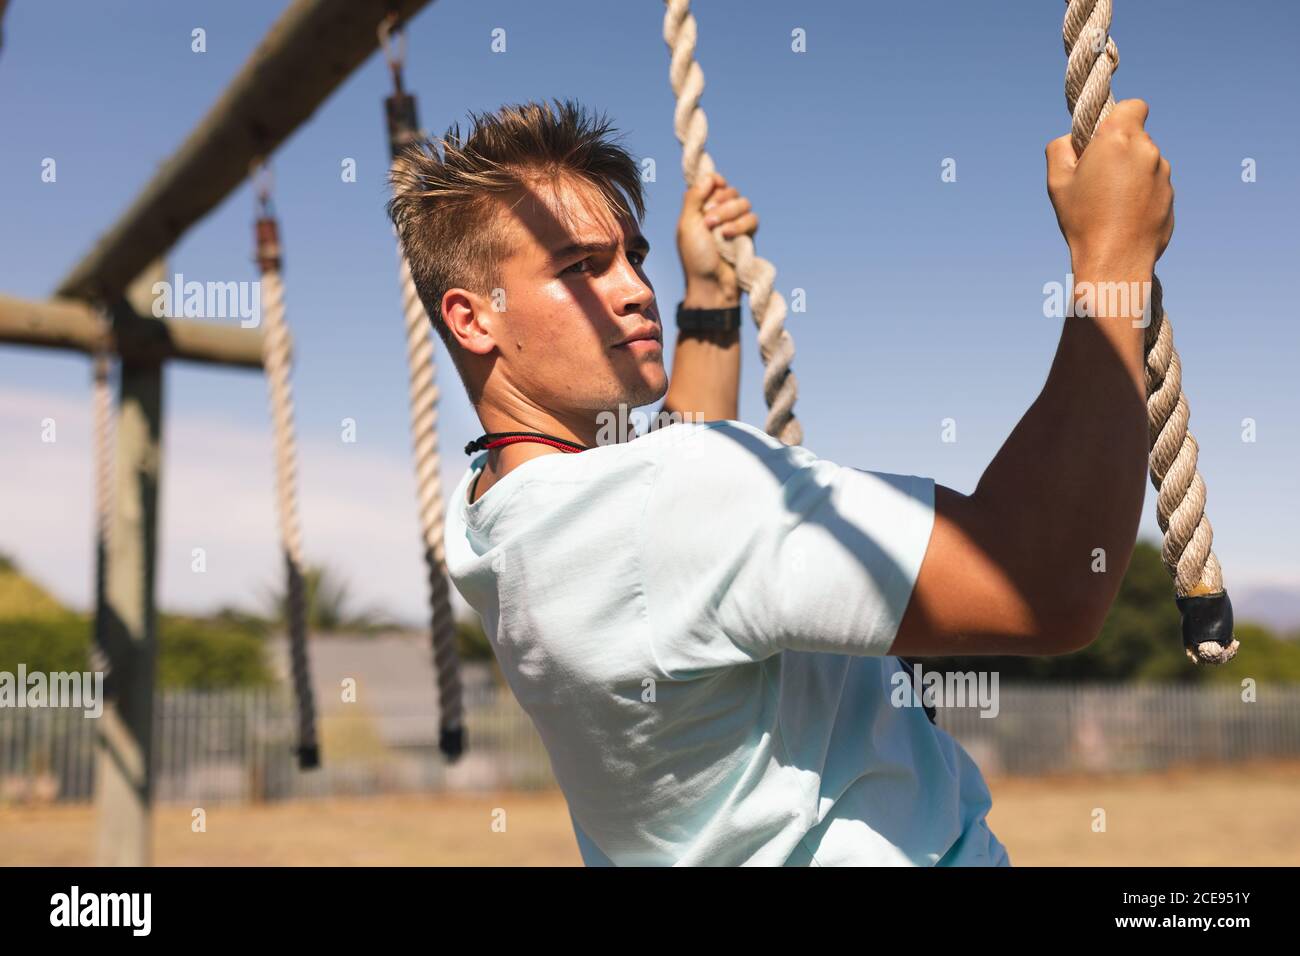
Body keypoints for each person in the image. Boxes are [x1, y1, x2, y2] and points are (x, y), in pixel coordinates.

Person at [387, 97, 1173, 865]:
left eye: (634, 254)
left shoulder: (493, 518)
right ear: (471, 318)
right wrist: (1112, 260)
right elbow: (1047, 583)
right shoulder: (674, 499)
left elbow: (666, 542)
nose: (633, 288)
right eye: (580, 267)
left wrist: (708, 298)